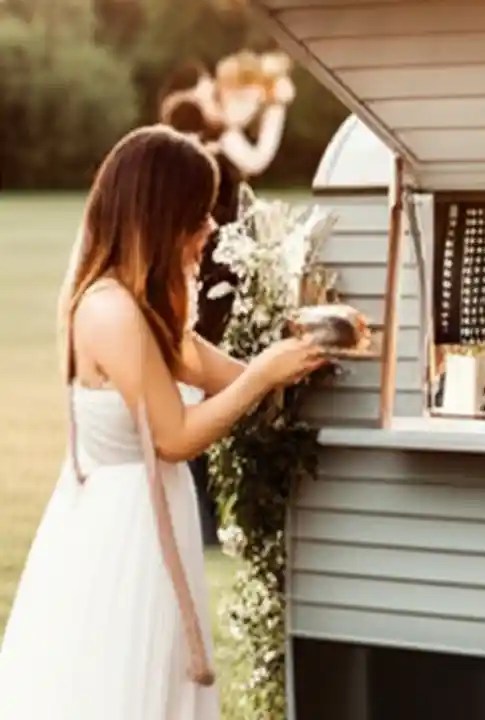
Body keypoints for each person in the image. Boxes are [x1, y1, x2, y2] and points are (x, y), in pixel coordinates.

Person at [0, 126, 327, 719]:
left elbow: (217, 371)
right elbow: (174, 437)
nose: (209, 231)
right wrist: (263, 377)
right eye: (197, 216)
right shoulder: (110, 310)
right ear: (159, 215)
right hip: (120, 534)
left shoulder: (145, 304)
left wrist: (299, 355)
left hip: (152, 520)